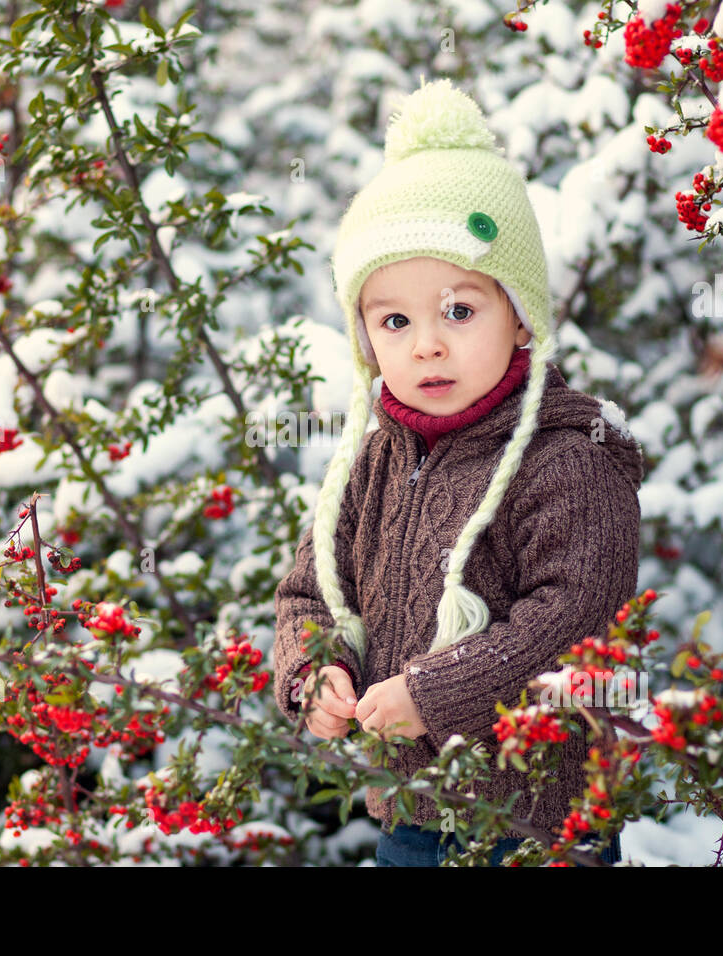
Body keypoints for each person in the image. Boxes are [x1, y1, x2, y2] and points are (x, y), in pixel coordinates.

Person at [271, 77, 644, 867]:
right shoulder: (374, 461)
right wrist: (318, 672)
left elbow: (574, 617)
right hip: (408, 816)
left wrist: (437, 693)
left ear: (520, 315)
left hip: (539, 823)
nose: (426, 345)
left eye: (460, 310)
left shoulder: (569, 460)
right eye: (395, 320)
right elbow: (309, 591)